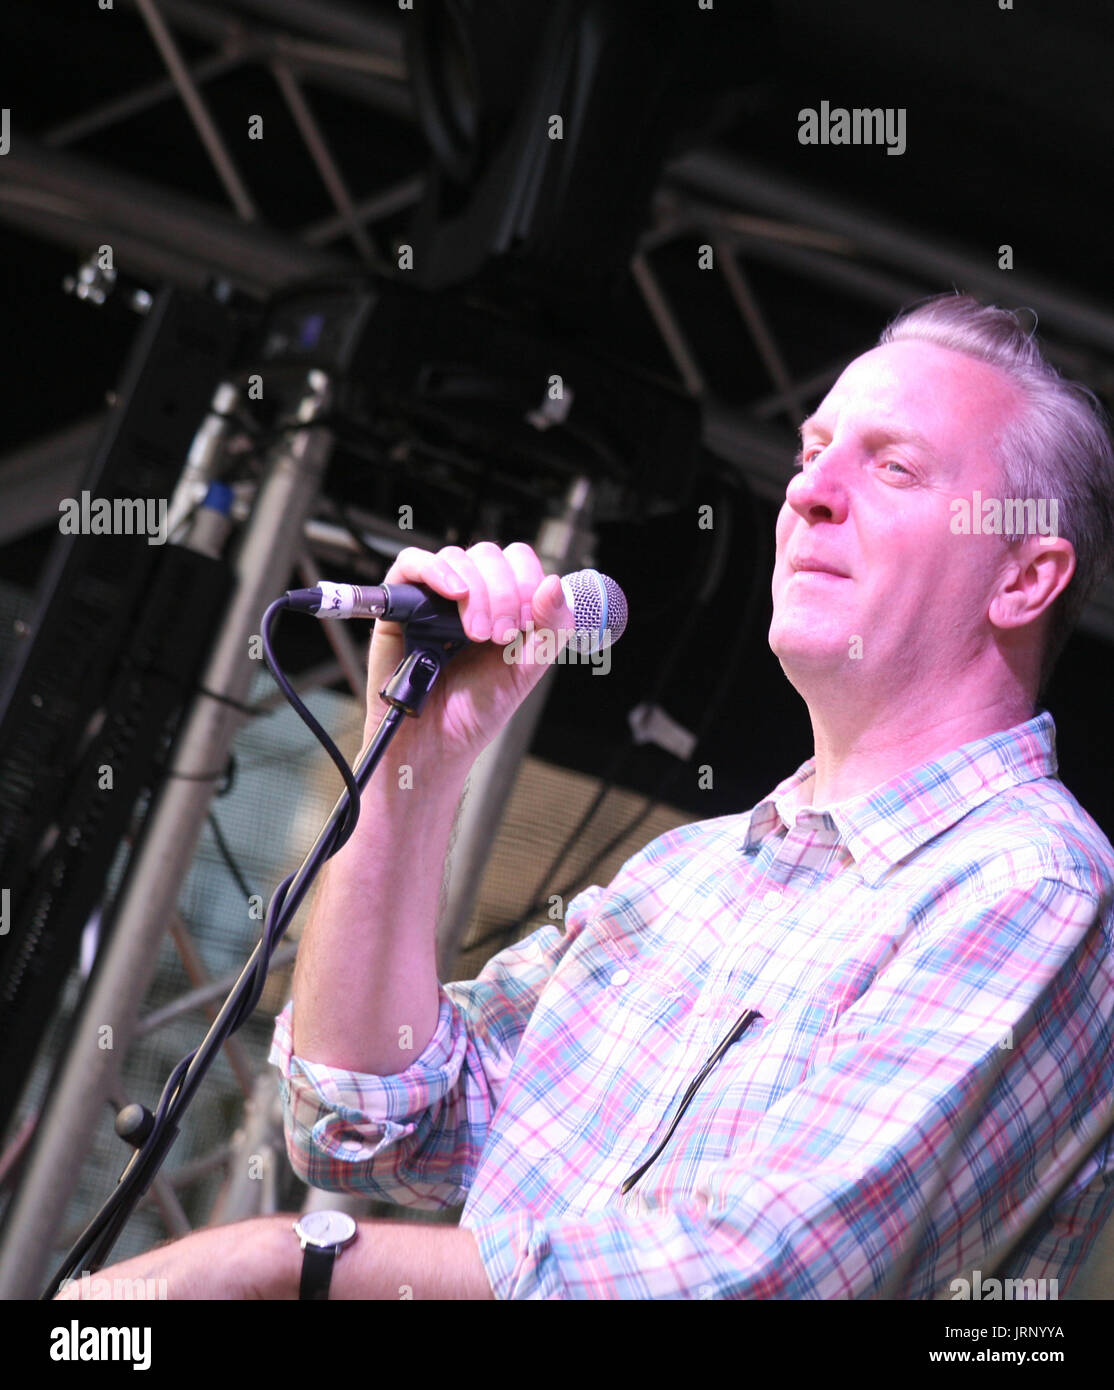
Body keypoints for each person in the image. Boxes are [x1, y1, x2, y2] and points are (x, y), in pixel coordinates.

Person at [60, 293, 1114, 1300]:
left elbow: (761, 1280)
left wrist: (279, 1263)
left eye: (893, 467)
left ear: (1022, 579)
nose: (808, 491)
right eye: (810, 452)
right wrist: (413, 763)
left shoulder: (1031, 883)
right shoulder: (690, 875)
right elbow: (366, 1116)